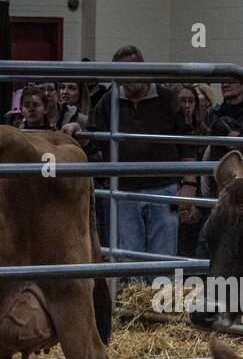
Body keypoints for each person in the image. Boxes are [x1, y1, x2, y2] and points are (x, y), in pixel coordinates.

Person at [69, 46, 197, 262]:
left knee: (163, 256)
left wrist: (189, 183)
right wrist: (78, 132)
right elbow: (94, 139)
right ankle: (131, 297)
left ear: (143, 70)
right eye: (121, 74)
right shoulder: (109, 101)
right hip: (124, 190)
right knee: (128, 257)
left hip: (163, 187)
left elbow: (187, 140)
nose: (127, 80)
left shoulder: (167, 98)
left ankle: (161, 297)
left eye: (131, 72)